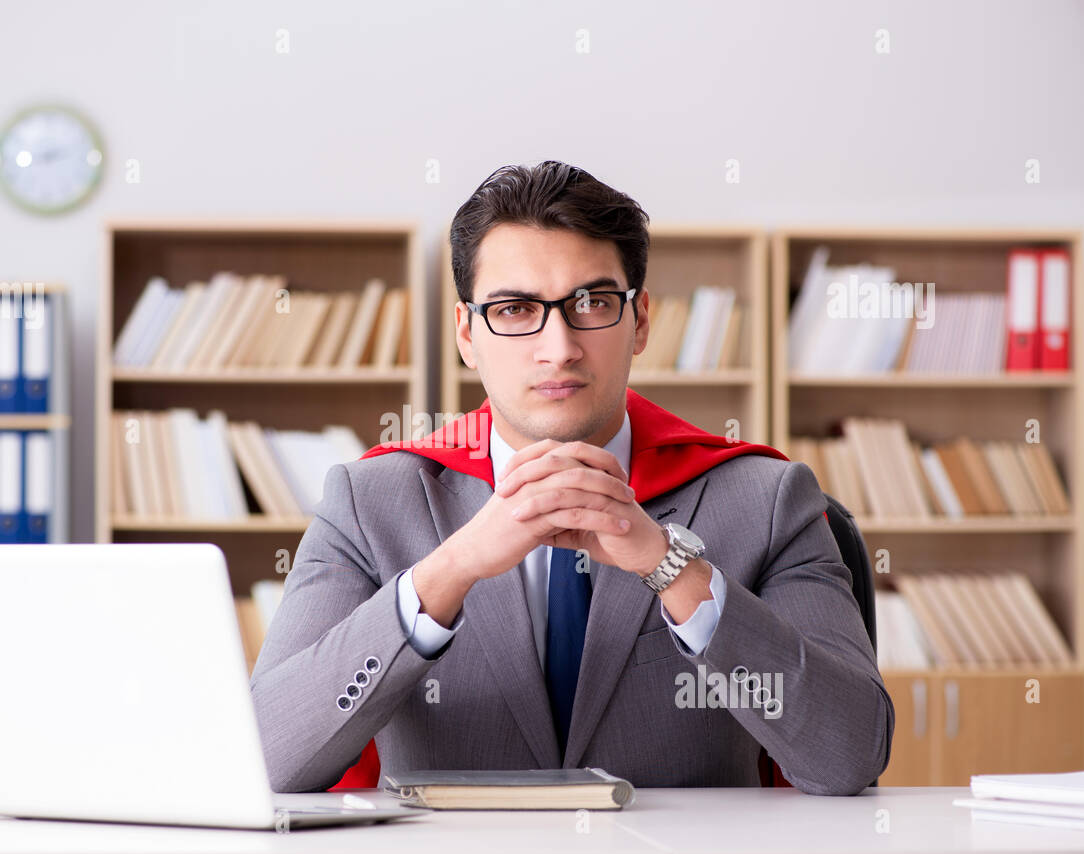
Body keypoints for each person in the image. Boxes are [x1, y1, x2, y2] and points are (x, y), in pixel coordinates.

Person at [250, 160, 893, 796]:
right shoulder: (368, 504)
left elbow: (848, 757)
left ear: (640, 322)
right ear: (467, 334)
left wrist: (669, 566)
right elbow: (269, 758)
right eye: (514, 308)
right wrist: (452, 569)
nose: (558, 347)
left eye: (591, 302)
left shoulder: (767, 500)